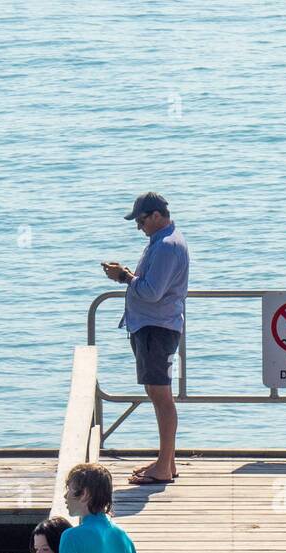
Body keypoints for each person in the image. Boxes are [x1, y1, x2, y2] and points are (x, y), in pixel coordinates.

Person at [101, 192, 190, 487]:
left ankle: (164, 466)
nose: (139, 227)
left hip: (158, 328)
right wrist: (127, 275)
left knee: (161, 396)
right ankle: (168, 461)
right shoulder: (161, 242)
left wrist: (125, 277)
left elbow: (152, 292)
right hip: (152, 327)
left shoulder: (166, 246)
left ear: (155, 215)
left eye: (141, 221)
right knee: (156, 393)